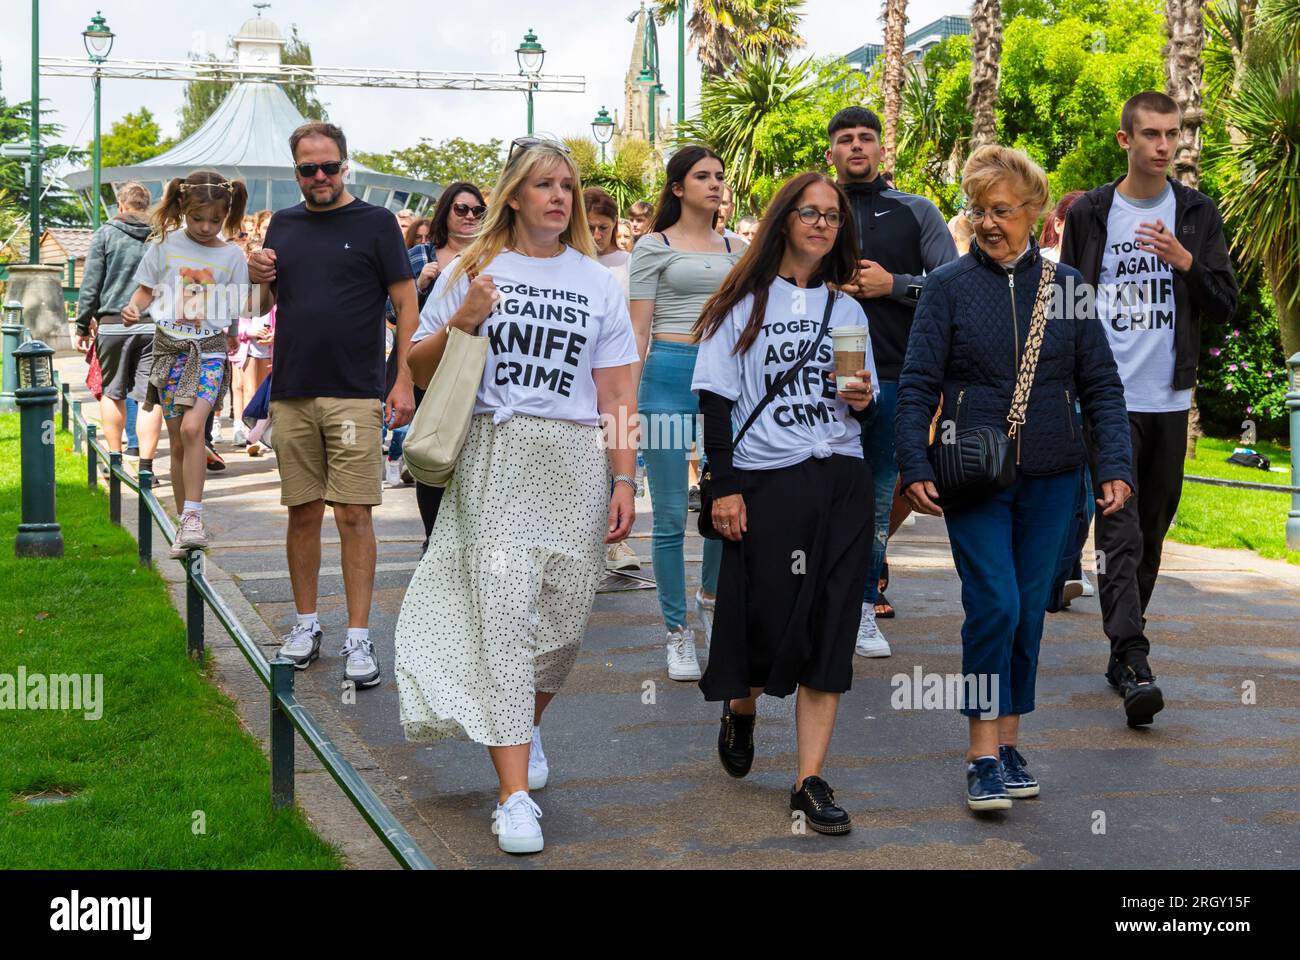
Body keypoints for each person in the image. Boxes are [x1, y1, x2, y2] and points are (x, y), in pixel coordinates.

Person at [397, 139, 639, 855]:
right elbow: (415, 362)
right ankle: (513, 797)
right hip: (496, 452)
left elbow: (618, 389)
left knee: (561, 624)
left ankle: (521, 722)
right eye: (543, 185)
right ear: (516, 196)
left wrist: (624, 476)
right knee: (504, 615)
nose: (559, 197)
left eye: (567, 184)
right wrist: (466, 315)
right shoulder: (474, 269)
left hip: (574, 459)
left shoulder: (597, 282)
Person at [895, 145, 1134, 812]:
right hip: (974, 475)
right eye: (979, 209)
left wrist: (1113, 464)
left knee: (1029, 611)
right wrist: (914, 464)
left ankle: (1008, 740)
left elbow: (1103, 387)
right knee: (994, 603)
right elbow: (916, 386)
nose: (988, 221)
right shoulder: (946, 288)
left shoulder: (1070, 290)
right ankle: (979, 752)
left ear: (1034, 212)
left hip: (1055, 476)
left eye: (1002, 209)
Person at [694, 171, 878, 834]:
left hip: (841, 480)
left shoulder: (849, 310)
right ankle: (741, 709)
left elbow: (865, 396)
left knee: (831, 629)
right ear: (785, 220)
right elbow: (714, 400)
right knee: (765, 625)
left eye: (832, 215)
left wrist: (862, 398)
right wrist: (726, 486)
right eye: (809, 212)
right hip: (767, 482)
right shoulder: (742, 301)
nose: (822, 223)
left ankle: (809, 781)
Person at [1060, 91, 1238, 726]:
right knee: (1119, 527)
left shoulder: (1195, 213)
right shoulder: (1092, 212)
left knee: (1153, 529)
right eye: (1152, 135)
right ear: (1125, 141)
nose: (1165, 146)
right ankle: (1133, 657)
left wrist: (1186, 263)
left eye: (1171, 135)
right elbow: (1069, 300)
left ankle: (1121, 646)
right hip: (1107, 398)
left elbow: (1224, 304)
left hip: (1169, 398)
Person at [249, 121, 417, 691]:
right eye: (307, 169)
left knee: (353, 513)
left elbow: (404, 299)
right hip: (293, 390)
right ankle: (305, 624)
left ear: (345, 165)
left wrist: (404, 379)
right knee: (302, 510)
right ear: (295, 170)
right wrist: (259, 279)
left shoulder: (374, 224)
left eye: (329, 167)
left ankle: (360, 634)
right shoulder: (283, 225)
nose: (319, 177)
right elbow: (266, 303)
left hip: (355, 392)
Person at [827, 105, 957, 656]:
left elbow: (955, 289)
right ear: (830, 151)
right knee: (819, 492)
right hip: (818, 378)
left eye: (866, 138)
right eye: (845, 139)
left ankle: (860, 610)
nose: (857, 147)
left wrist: (895, 285)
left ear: (882, 149)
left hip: (898, 375)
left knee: (880, 493)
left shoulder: (916, 211)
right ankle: (820, 600)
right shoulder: (815, 208)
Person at [629, 145, 745, 681]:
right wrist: (625, 409)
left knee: (726, 506)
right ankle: (676, 632)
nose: (715, 184)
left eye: (719, 176)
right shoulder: (653, 246)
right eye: (702, 176)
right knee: (672, 514)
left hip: (724, 380)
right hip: (668, 375)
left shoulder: (739, 247)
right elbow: (637, 332)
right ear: (677, 187)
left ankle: (713, 603)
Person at [121, 170, 250, 557]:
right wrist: (134, 306)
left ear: (227, 215)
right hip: (169, 351)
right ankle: (185, 525)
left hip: (208, 352)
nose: (206, 227)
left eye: (215, 220)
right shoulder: (164, 245)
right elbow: (145, 289)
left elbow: (241, 304)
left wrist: (229, 326)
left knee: (195, 429)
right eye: (198, 219)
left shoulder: (231, 254)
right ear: (182, 209)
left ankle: (192, 515)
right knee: (178, 441)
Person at [399, 181, 487, 546]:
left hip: (475, 366)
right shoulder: (423, 254)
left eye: (477, 210)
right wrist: (422, 283)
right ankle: (432, 538)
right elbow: (395, 311)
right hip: (431, 362)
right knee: (435, 449)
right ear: (445, 213)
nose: (469, 216)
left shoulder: (492, 257)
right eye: (461, 209)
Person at [74, 181, 164, 478]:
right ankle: (147, 468)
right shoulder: (160, 236)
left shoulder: (106, 233)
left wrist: (82, 324)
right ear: (146, 206)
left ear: (120, 207)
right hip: (152, 324)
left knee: (113, 394)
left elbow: (91, 284)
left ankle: (115, 463)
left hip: (113, 324)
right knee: (149, 398)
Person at [1038, 190, 1094, 610]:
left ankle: (1061, 574)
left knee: (1086, 496)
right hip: (1055, 395)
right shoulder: (1045, 269)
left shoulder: (1087, 270)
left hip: (1088, 390)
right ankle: (1054, 579)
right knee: (1069, 492)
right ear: (1057, 223)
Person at [586, 186, 640, 574]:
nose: (596, 235)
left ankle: (615, 541)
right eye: (589, 226)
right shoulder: (568, 261)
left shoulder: (627, 263)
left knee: (616, 450)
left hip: (615, 370)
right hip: (577, 376)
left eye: (603, 227)